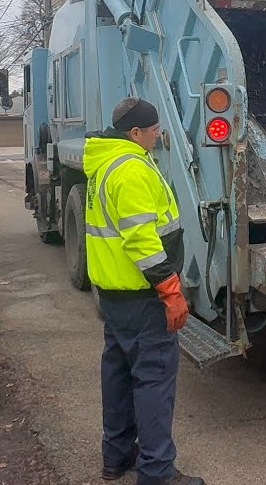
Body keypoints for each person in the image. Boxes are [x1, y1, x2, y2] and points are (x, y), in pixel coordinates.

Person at [82, 97, 204, 485]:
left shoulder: (104, 164)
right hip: (142, 297)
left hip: (115, 295)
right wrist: (170, 290)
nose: (158, 134)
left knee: (117, 374)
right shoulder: (131, 170)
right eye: (153, 130)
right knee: (153, 381)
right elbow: (140, 240)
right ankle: (156, 473)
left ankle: (116, 457)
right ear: (135, 133)